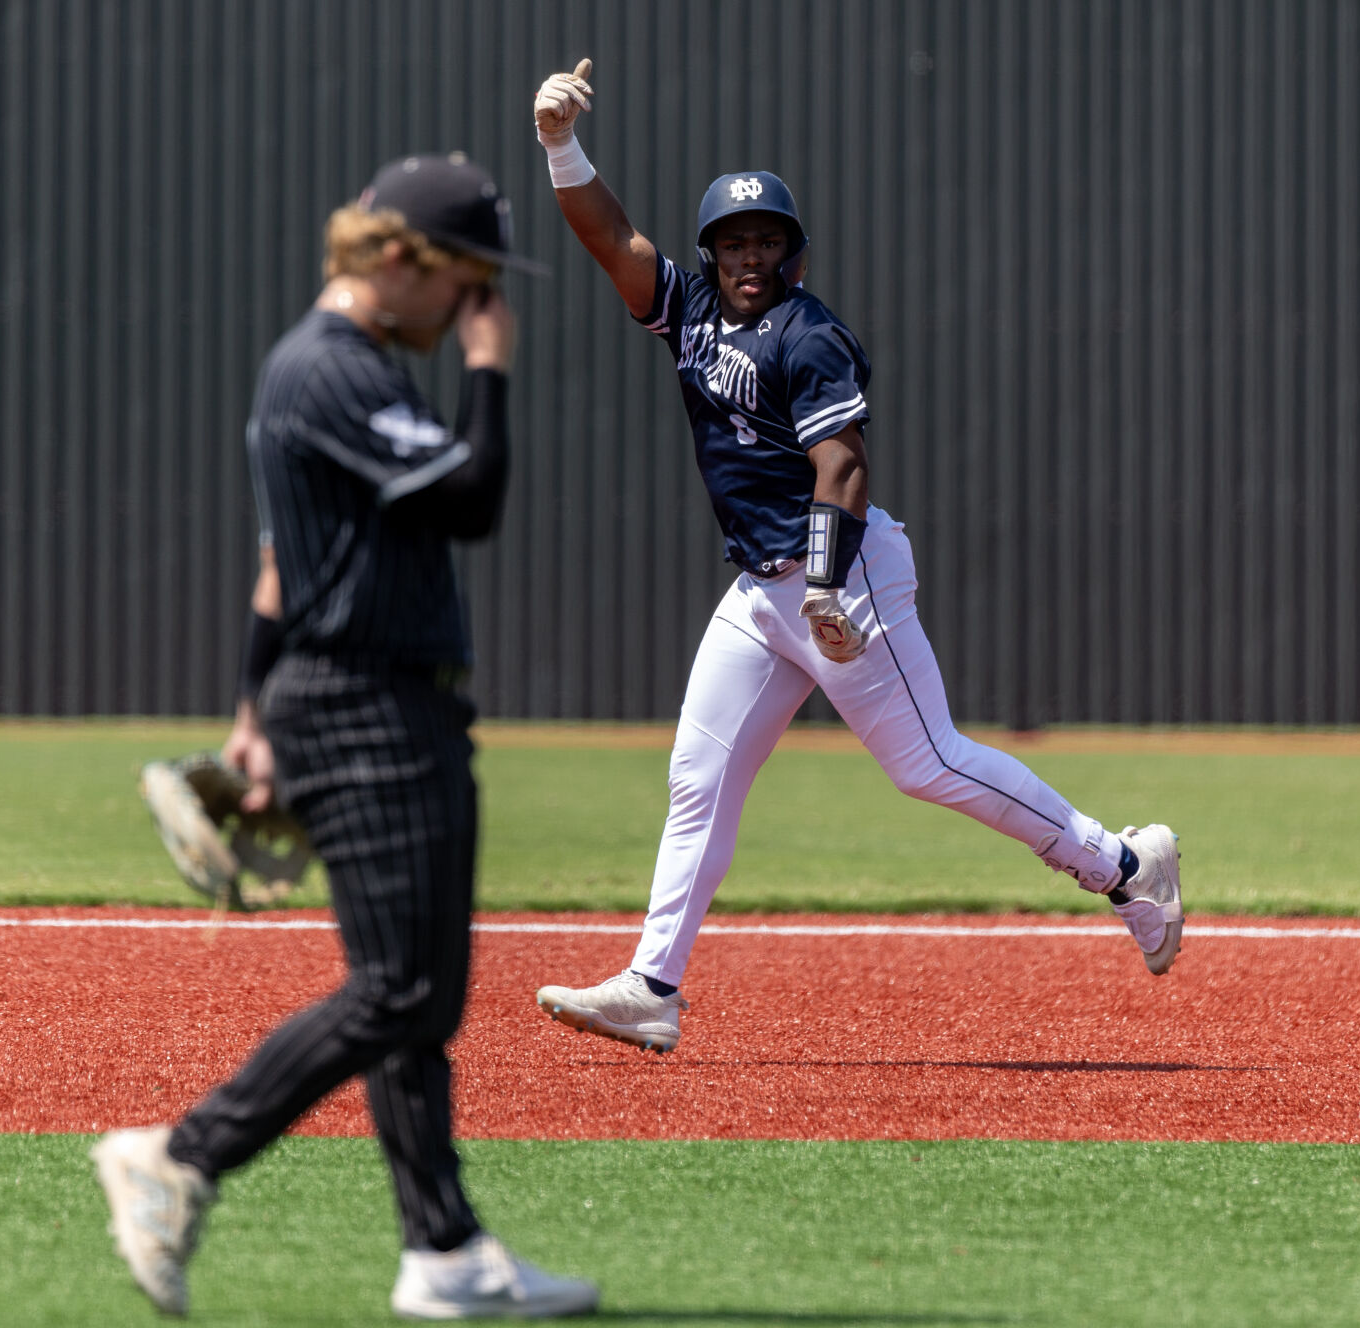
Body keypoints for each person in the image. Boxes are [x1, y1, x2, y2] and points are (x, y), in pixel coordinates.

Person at [528, 61, 1184, 1056]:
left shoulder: (810, 334)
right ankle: (653, 984)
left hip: (845, 571)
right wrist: (559, 142)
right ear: (712, 253)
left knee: (928, 763)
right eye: (734, 241)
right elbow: (609, 238)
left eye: (768, 241)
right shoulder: (693, 314)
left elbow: (844, 466)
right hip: (761, 587)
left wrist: (828, 589)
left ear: (793, 254)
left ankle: (1126, 864)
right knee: (698, 777)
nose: (751, 255)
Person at [92, 152, 599, 1320]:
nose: (480, 304)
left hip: (351, 693)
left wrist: (252, 714)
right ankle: (180, 1153)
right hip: (370, 701)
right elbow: (473, 498)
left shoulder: (338, 368)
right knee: (406, 986)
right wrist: (491, 368)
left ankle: (447, 1252)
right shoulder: (328, 369)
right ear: (401, 259)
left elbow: (283, 565)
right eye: (470, 279)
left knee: (411, 995)